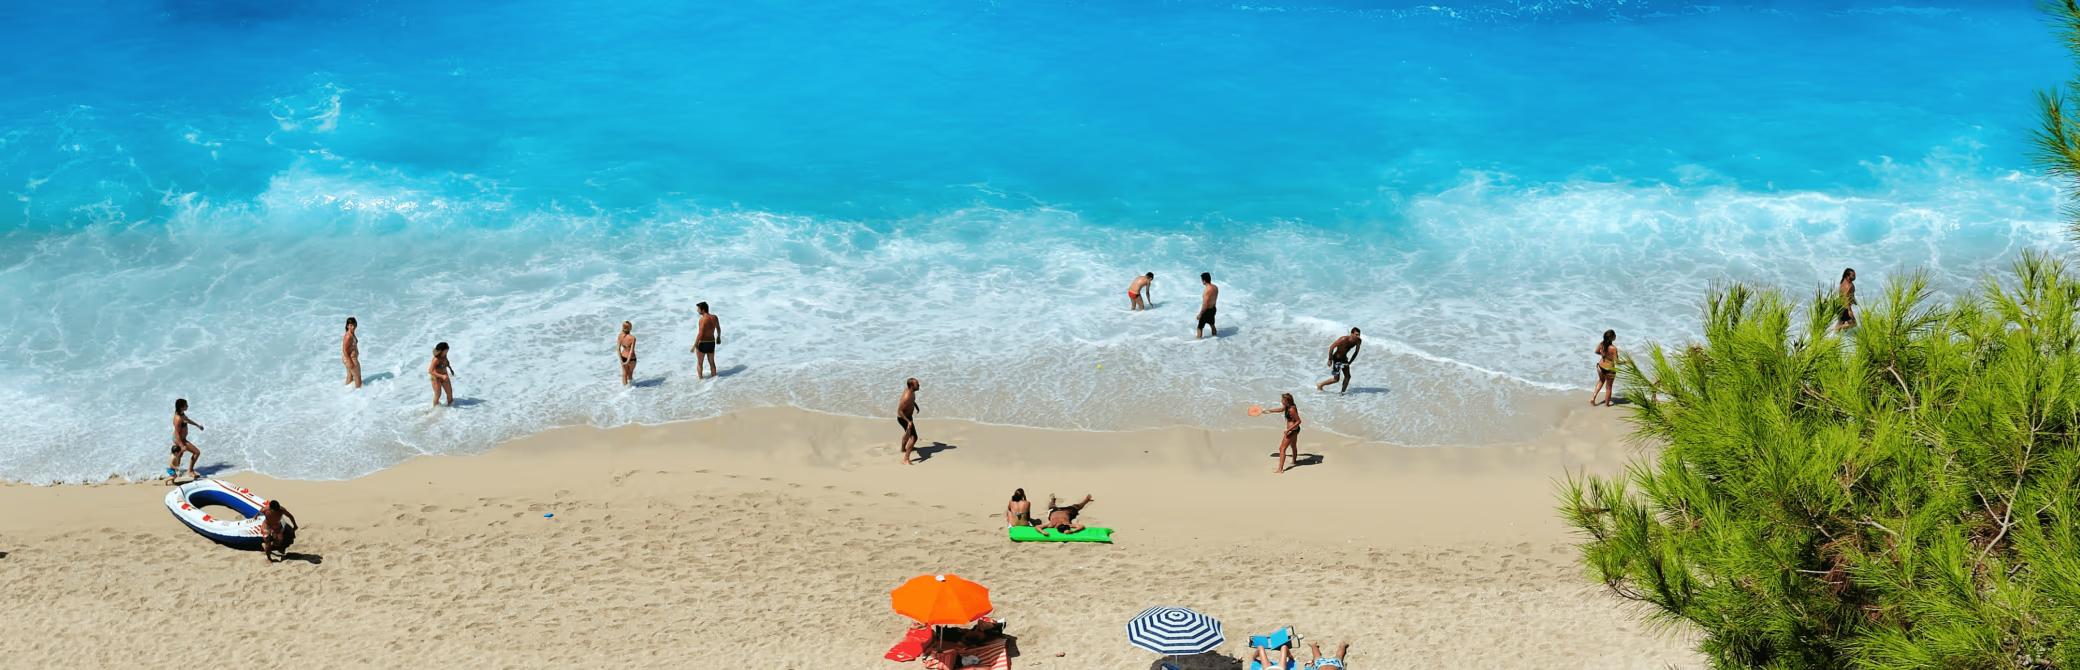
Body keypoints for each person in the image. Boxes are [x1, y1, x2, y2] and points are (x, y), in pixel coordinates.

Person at [1315, 327, 1363, 393]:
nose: (1358, 336)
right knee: (1336, 379)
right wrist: (1330, 360)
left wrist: (1350, 362)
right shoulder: (1343, 339)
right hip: (1336, 359)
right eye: (1356, 334)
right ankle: (1320, 385)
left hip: (1344, 359)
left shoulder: (1358, 341)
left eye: (1359, 335)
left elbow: (1356, 352)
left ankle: (1342, 393)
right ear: (1351, 334)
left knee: (1348, 377)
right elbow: (1331, 347)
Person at [1263, 393, 1301, 474]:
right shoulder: (1288, 406)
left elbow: (1298, 421)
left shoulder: (1291, 409)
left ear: (1287, 401)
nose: (1281, 401)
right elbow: (1281, 409)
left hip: (1291, 431)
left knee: (1282, 449)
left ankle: (1280, 469)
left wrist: (1288, 430)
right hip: (1295, 430)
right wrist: (1269, 411)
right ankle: (1294, 461)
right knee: (1293, 446)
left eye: (1282, 400)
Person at [168, 398, 203, 481]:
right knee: (197, 452)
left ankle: (175, 472)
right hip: (179, 439)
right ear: (181, 407)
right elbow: (177, 433)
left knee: (179, 455)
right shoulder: (178, 418)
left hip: (181, 439)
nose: (187, 406)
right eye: (186, 405)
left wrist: (197, 425)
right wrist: (182, 445)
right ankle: (190, 471)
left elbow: (187, 420)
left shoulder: (181, 414)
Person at [693, 302, 722, 379]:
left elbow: (701, 333)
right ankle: (715, 379)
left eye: (698, 309)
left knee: (700, 363)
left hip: (702, 343)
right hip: (711, 342)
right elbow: (718, 328)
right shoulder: (714, 317)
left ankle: (700, 380)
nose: (697, 310)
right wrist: (718, 337)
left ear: (703, 310)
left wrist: (695, 344)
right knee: (712, 362)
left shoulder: (702, 320)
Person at [1591, 330, 1618, 407]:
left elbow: (1596, 352)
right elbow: (1618, 362)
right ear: (1612, 338)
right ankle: (1607, 405)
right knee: (1608, 387)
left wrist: (1604, 355)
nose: (1616, 336)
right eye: (1614, 335)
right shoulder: (1614, 348)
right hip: (1610, 370)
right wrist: (1627, 362)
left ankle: (1593, 398)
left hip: (1600, 367)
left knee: (1601, 381)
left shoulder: (1601, 344)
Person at [897, 378, 921, 465]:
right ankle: (906, 459)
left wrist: (915, 406)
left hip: (908, 417)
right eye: (917, 384)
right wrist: (908, 421)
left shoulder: (911, 391)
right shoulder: (906, 397)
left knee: (908, 433)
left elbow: (912, 401)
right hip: (903, 418)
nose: (919, 385)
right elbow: (899, 411)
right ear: (911, 385)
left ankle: (903, 449)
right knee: (914, 437)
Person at [429, 342, 455, 407]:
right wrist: (441, 376)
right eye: (446, 351)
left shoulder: (444, 355)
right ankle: (435, 410)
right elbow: (430, 371)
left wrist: (450, 369)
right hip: (436, 378)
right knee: (438, 395)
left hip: (444, 376)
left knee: (449, 393)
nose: (447, 353)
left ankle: (451, 409)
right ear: (441, 351)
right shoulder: (436, 359)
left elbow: (446, 362)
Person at [1196, 272, 1219, 339]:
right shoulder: (1215, 287)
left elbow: (1205, 304)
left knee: (1199, 328)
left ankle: (1198, 342)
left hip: (1206, 311)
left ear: (1204, 280)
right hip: (1213, 309)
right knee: (1212, 324)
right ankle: (1215, 338)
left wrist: (1200, 314)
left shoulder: (1207, 290)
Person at [342, 317, 361, 388]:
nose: (353, 327)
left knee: (350, 377)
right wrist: (350, 362)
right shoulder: (348, 336)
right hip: (350, 358)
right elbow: (344, 350)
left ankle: (346, 392)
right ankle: (360, 394)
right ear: (347, 326)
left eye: (354, 325)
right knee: (358, 378)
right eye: (350, 325)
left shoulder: (352, 333)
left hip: (348, 358)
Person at [617, 321, 637, 386]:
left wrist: (621, 360)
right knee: (630, 373)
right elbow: (631, 351)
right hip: (631, 359)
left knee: (624, 373)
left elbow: (618, 349)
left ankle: (625, 391)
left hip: (623, 357)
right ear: (630, 328)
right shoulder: (633, 338)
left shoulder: (620, 336)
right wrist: (628, 361)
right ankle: (631, 390)